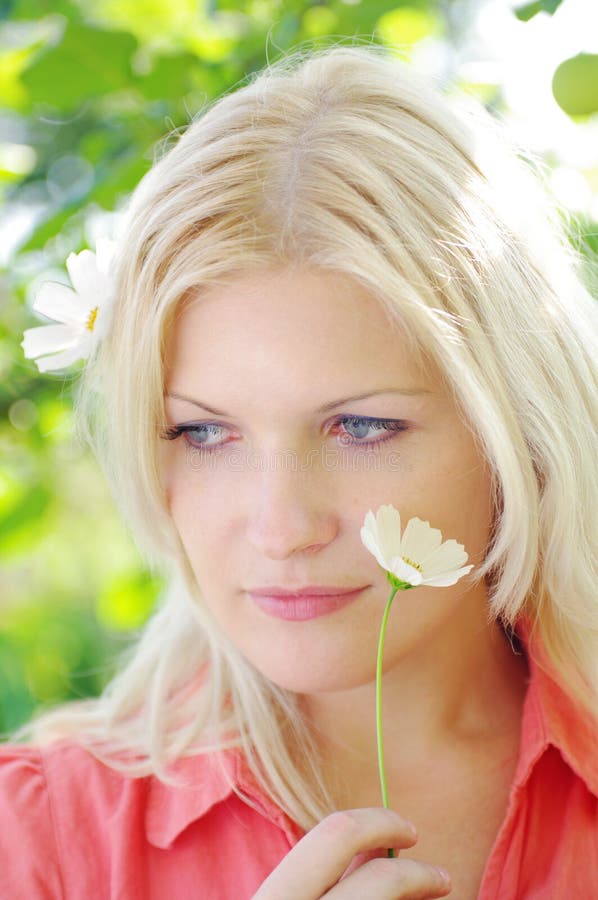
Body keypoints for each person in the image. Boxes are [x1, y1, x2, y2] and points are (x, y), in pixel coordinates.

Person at [3, 42, 597, 899]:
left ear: (521, 434)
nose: (281, 528)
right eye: (204, 434)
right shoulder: (36, 839)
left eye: (361, 426)